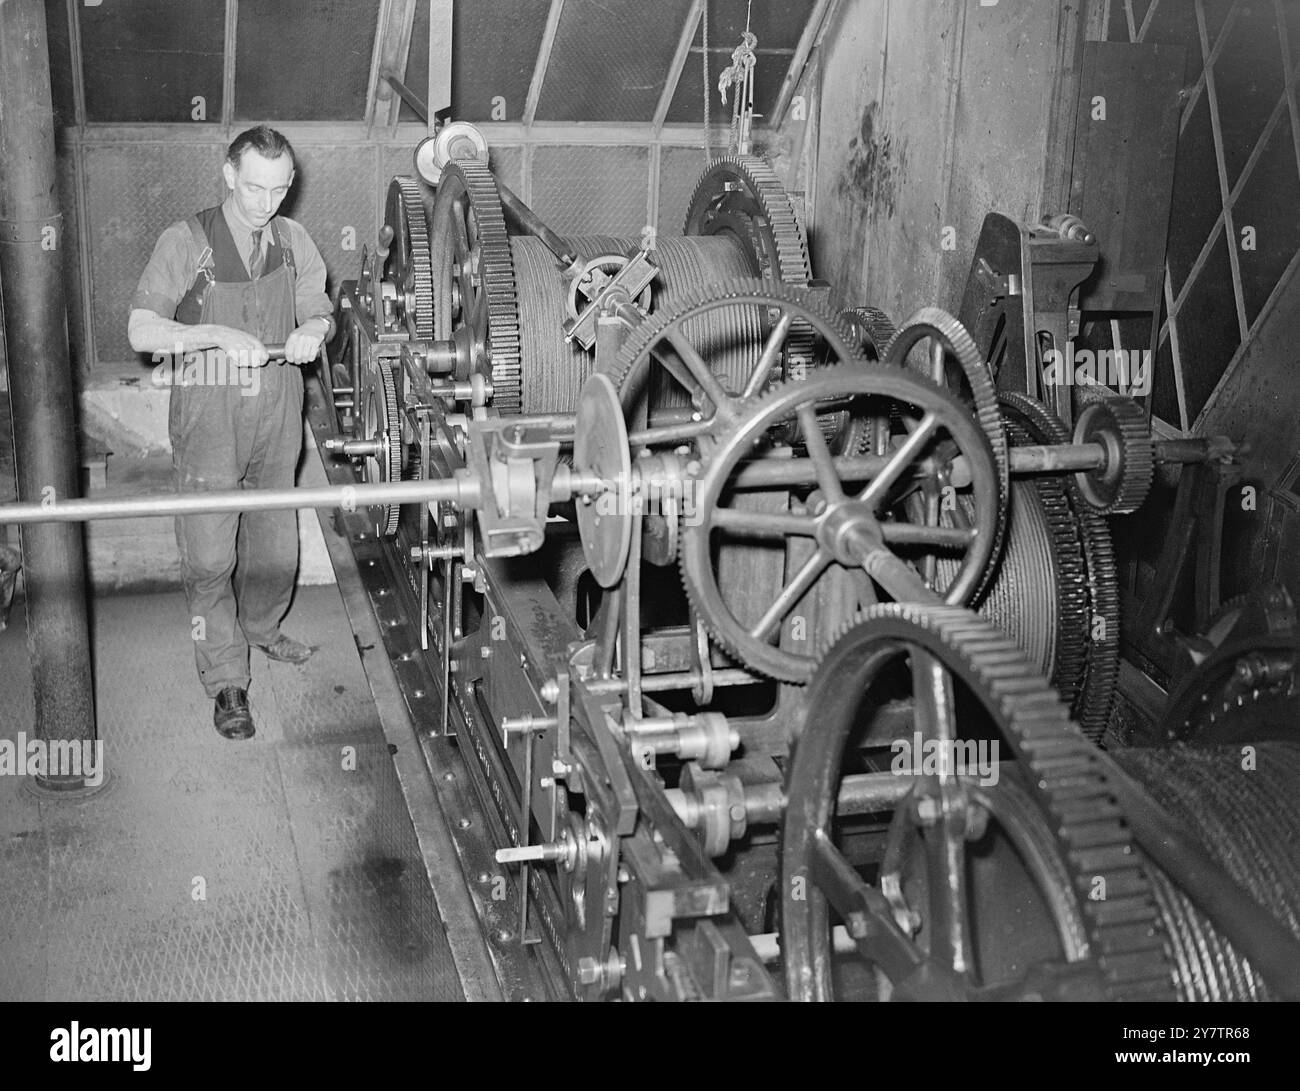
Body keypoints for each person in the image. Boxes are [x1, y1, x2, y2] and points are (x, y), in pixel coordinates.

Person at [127, 125, 333, 740]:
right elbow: (142, 330)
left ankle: (263, 629)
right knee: (212, 554)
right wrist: (212, 335)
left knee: (275, 544)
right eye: (252, 188)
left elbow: (319, 305)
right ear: (227, 175)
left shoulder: (294, 240)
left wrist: (314, 331)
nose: (265, 202)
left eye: (278, 189)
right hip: (210, 415)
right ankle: (225, 680)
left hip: (278, 412)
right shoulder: (187, 240)